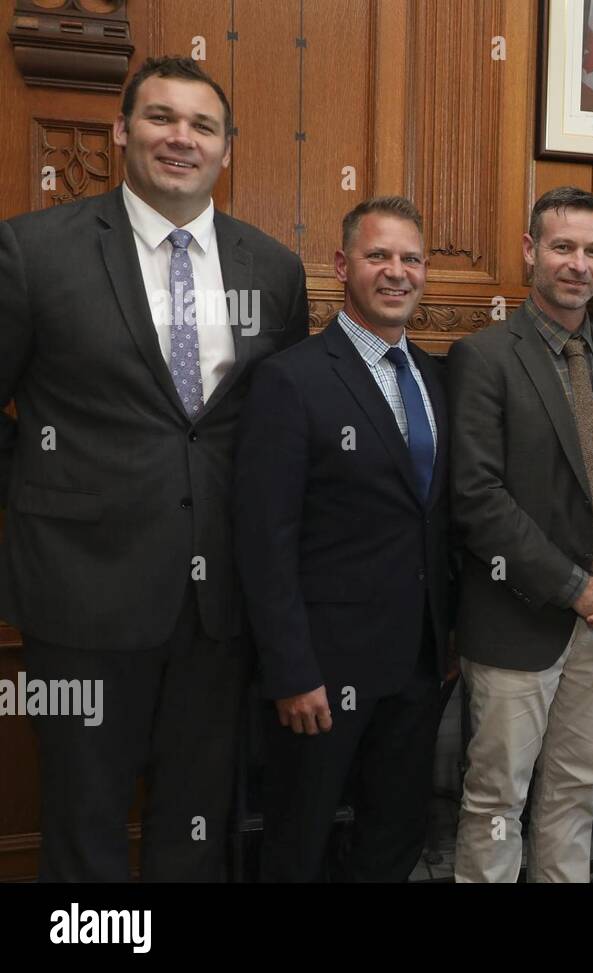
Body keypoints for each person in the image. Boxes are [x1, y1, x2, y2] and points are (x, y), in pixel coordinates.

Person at [0, 55, 308, 881]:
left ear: (227, 149)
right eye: (161, 118)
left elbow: (276, 432)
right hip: (81, 595)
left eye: (203, 126)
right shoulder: (34, 252)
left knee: (196, 825)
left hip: (218, 606)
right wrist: (41, 497)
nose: (182, 138)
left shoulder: (272, 270)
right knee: (84, 823)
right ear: (121, 131)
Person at [234, 197, 454, 882]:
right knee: (298, 847)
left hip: (420, 668)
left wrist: (448, 643)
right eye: (378, 256)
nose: (397, 272)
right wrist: (291, 672)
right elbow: (263, 539)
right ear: (341, 265)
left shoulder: (437, 376)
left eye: (411, 258)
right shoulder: (290, 379)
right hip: (322, 677)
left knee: (395, 839)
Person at [450, 186, 593, 883]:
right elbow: (478, 499)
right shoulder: (484, 357)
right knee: (495, 799)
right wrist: (574, 588)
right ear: (529, 250)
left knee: (574, 794)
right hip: (520, 616)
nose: (579, 263)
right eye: (563, 246)